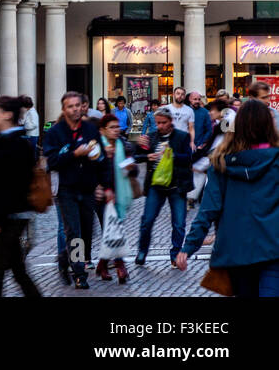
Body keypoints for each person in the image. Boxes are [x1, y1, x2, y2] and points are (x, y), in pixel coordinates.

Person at [175, 99, 279, 297]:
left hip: (237, 251)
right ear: (268, 126)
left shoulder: (221, 163)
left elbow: (208, 209)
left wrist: (189, 246)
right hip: (274, 247)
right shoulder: (275, 159)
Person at [0, 96, 42, 298]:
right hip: (11, 215)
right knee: (18, 272)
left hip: (13, 216)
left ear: (7, 115)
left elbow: (10, 186)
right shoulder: (4, 140)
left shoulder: (16, 145)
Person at [42, 91, 102, 289]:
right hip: (66, 189)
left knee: (86, 231)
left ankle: (64, 256)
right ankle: (79, 273)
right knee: (74, 232)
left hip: (87, 188)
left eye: (78, 105)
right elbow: (51, 161)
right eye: (71, 106)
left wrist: (96, 159)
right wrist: (74, 154)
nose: (75, 109)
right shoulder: (55, 133)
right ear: (64, 109)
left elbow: (101, 157)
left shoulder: (91, 129)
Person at [132, 106, 192, 266]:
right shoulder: (151, 137)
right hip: (156, 186)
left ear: (170, 122)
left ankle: (175, 254)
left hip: (176, 186)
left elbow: (188, 158)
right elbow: (136, 157)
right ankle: (142, 251)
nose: (159, 126)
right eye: (157, 123)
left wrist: (173, 154)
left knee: (179, 223)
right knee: (147, 221)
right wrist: (144, 153)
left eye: (163, 123)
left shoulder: (182, 137)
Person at [94, 112, 134, 284]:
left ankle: (103, 265)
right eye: (112, 127)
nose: (117, 130)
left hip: (119, 192)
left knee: (111, 232)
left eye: (118, 127)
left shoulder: (123, 145)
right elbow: (92, 170)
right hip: (101, 194)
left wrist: (131, 167)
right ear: (102, 130)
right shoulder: (97, 146)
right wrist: (102, 186)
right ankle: (120, 266)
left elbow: (132, 169)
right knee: (110, 231)